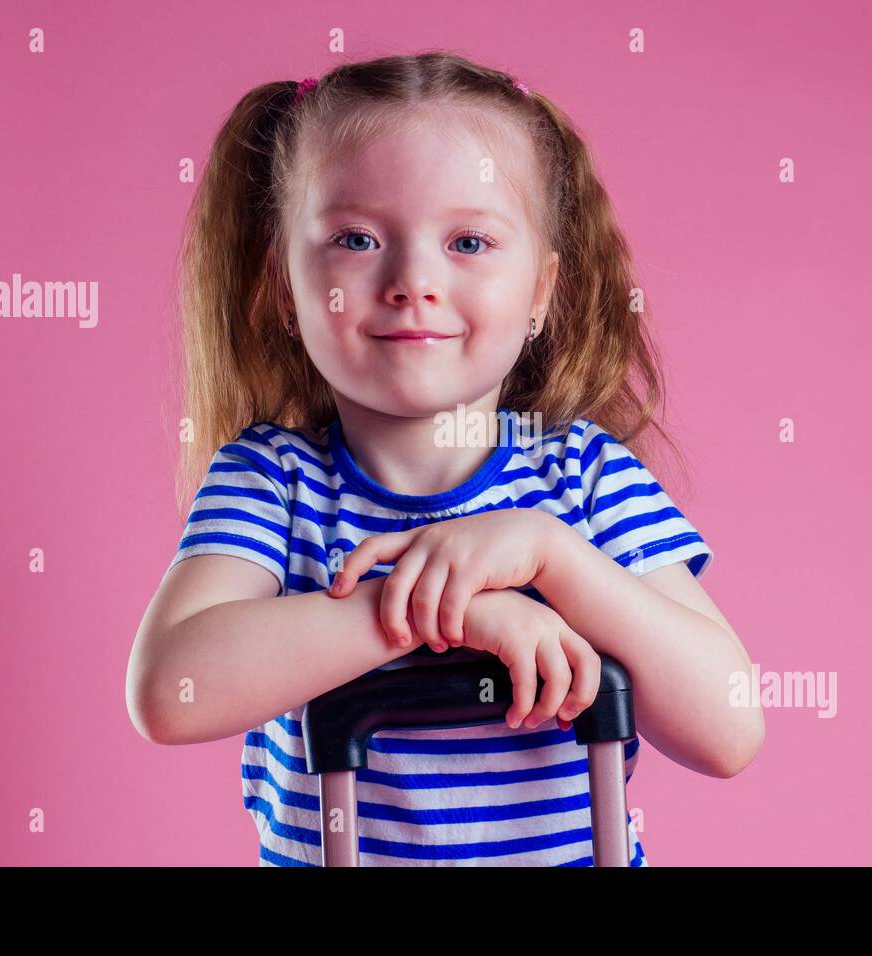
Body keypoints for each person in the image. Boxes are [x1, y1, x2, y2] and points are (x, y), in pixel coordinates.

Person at [126, 51, 764, 866]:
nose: (413, 280)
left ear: (540, 293)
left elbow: (731, 726)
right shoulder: (273, 483)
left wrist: (550, 555)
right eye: (356, 238)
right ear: (286, 291)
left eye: (468, 240)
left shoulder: (581, 479)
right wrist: (438, 609)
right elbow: (171, 692)